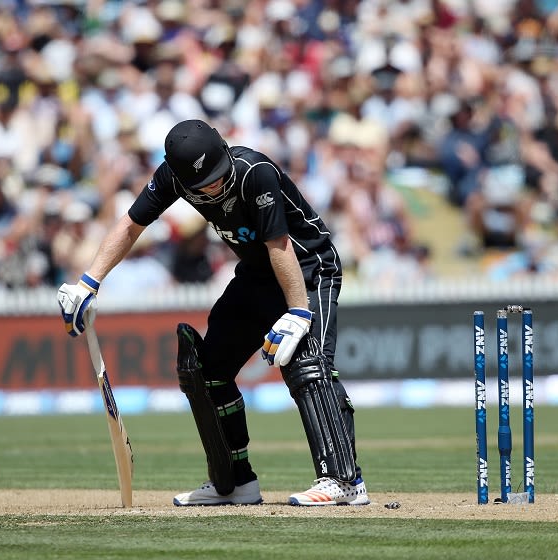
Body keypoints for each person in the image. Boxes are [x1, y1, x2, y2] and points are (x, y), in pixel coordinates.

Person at [57, 119, 370, 506]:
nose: (214, 187)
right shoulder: (172, 176)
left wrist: (298, 313)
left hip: (308, 270)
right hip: (257, 275)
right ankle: (235, 483)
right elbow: (132, 224)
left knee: (307, 364)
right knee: (207, 371)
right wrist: (89, 282)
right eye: (203, 184)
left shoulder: (255, 173)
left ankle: (344, 481)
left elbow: (279, 244)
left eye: (218, 176)